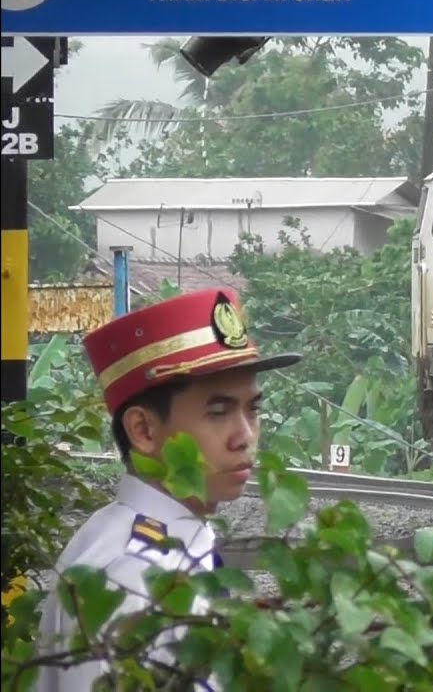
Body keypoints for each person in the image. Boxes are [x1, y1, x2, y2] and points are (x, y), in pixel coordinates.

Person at [33, 287, 300, 691]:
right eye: (218, 411)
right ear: (143, 430)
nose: (245, 436)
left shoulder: (166, 538)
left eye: (253, 409)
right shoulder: (132, 578)